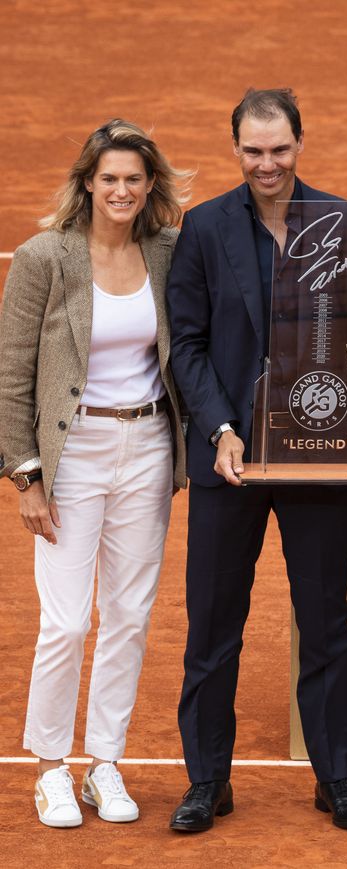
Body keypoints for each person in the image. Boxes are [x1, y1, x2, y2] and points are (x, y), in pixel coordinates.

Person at [166, 88, 347, 833]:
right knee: (212, 626)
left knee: (327, 620)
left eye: (279, 149)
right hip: (230, 463)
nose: (266, 163)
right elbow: (187, 345)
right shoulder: (203, 227)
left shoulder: (343, 222)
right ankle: (208, 781)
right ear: (234, 149)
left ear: (301, 143)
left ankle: (336, 777)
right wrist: (219, 429)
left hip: (318, 457)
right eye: (252, 150)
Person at [0, 119, 189, 828]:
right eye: (108, 177)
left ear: (149, 187)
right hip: (70, 455)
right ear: (88, 181)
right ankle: (50, 766)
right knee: (66, 620)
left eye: (133, 179)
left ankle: (103, 760)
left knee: (131, 615)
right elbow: (11, 370)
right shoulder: (45, 256)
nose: (121, 189)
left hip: (147, 451)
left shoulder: (168, 251)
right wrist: (26, 477)